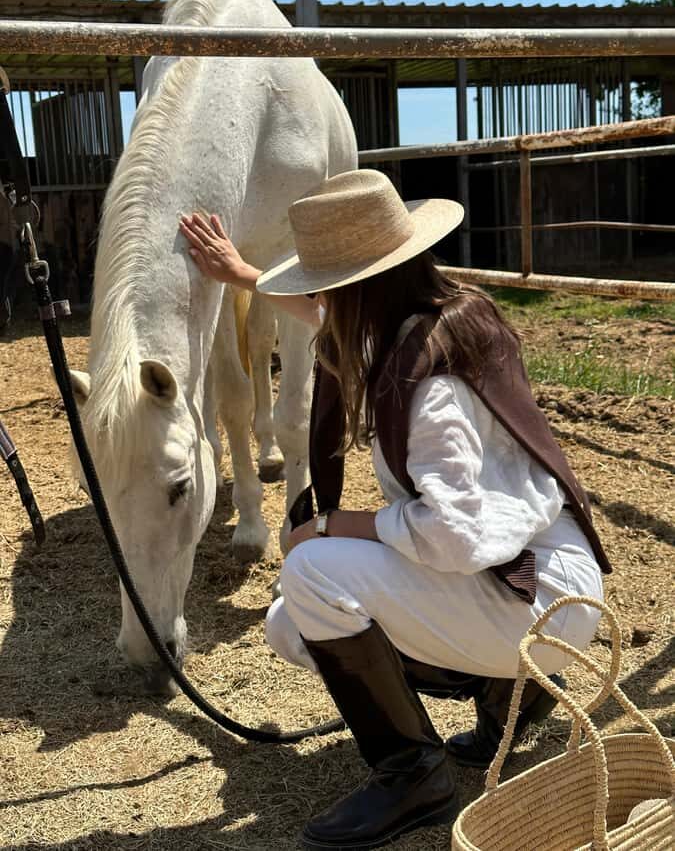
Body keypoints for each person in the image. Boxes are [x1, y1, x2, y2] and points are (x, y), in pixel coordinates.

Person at [179, 169, 608, 851]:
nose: (314, 302)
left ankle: (413, 774)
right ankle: (510, 693)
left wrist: (328, 526)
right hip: (547, 578)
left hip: (536, 598)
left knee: (314, 573)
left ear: (355, 289)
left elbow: (455, 539)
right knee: (292, 625)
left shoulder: (427, 387)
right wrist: (244, 275)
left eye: (320, 285)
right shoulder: (444, 317)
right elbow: (335, 322)